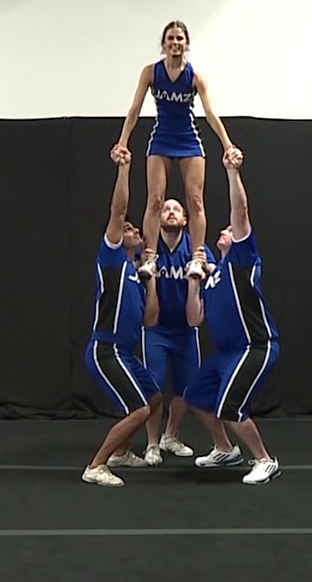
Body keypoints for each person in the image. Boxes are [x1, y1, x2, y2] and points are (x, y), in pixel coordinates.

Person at [111, 20, 240, 285]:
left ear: (186, 44)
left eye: (180, 38)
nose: (175, 43)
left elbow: (210, 113)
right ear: (164, 44)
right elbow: (134, 109)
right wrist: (123, 141)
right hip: (161, 138)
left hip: (188, 139)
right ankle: (149, 255)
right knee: (155, 200)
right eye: (171, 38)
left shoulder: (194, 76)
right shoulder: (151, 73)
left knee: (195, 201)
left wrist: (228, 145)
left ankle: (197, 256)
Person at [183, 147, 281, 485]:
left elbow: (239, 210)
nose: (224, 232)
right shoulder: (213, 277)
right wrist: (194, 283)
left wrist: (232, 172)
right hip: (225, 354)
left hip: (254, 346)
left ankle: (266, 460)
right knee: (194, 395)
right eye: (223, 231)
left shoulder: (242, 259)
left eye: (227, 230)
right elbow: (195, 320)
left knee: (230, 406)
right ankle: (225, 449)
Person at [81, 146, 164, 487]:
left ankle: (120, 452)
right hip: (106, 350)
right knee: (140, 411)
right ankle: (96, 466)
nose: (129, 229)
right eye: (126, 229)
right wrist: (124, 169)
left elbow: (150, 321)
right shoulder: (112, 259)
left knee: (155, 398)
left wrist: (153, 281)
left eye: (133, 229)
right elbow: (118, 210)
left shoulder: (136, 273)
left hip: (126, 354)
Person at [138, 198, 216, 465]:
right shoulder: (149, 250)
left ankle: (170, 435)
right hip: (156, 331)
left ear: (185, 219)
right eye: (165, 209)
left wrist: (209, 269)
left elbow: (214, 274)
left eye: (176, 210)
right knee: (155, 387)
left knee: (188, 388)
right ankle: (151, 444)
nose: (170, 212)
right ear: (157, 219)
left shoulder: (196, 249)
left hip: (185, 331)